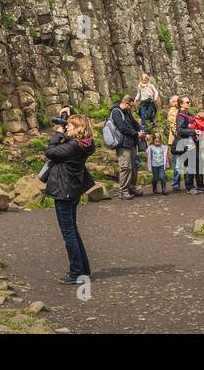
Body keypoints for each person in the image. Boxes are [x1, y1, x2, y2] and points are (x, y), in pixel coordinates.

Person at [43, 113, 96, 284]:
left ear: (78, 129)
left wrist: (58, 133)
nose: (68, 128)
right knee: (73, 230)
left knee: (69, 233)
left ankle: (76, 272)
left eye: (71, 126)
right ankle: (84, 270)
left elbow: (50, 151)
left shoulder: (73, 146)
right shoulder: (85, 144)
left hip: (64, 190)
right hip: (72, 190)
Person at [107, 94, 146, 199]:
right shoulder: (116, 112)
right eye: (131, 106)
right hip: (123, 144)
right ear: (126, 103)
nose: (131, 109)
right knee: (125, 167)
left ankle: (131, 187)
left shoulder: (127, 112)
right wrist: (136, 134)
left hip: (131, 143)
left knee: (134, 167)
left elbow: (134, 123)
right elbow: (122, 128)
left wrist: (141, 131)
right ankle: (123, 191)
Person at [174, 96, 204, 194]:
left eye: (189, 102)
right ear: (181, 104)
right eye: (187, 102)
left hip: (193, 143)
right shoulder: (181, 116)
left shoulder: (188, 114)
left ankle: (200, 186)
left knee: (198, 164)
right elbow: (179, 130)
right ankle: (190, 187)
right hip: (186, 143)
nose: (189, 103)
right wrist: (193, 131)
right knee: (189, 166)